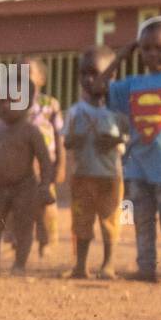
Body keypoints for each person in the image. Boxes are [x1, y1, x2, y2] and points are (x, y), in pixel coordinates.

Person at [98, 16, 161, 282]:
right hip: (136, 167)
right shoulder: (131, 84)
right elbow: (99, 87)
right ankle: (145, 267)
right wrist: (122, 55)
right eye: (146, 48)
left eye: (160, 47)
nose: (153, 53)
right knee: (141, 220)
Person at [64, 45, 126, 280]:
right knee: (81, 221)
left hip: (110, 177)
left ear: (112, 76)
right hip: (82, 176)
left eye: (95, 73)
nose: (89, 79)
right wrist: (73, 140)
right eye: (84, 74)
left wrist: (114, 141)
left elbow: (127, 139)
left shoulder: (118, 112)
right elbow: (66, 142)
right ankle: (80, 265)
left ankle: (108, 264)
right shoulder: (75, 111)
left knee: (109, 221)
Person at [0, 95, 54, 275]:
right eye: (3, 102)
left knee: (24, 227)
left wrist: (44, 185)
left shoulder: (31, 131)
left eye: (11, 102)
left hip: (24, 186)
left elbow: (45, 161)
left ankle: (19, 264)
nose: (5, 106)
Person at [24, 58, 65, 259]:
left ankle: (46, 242)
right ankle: (19, 241)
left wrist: (61, 165)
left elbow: (59, 135)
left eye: (28, 72)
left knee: (46, 206)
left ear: (41, 78)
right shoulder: (14, 104)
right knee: (20, 206)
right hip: (21, 166)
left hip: (44, 165)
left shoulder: (50, 104)